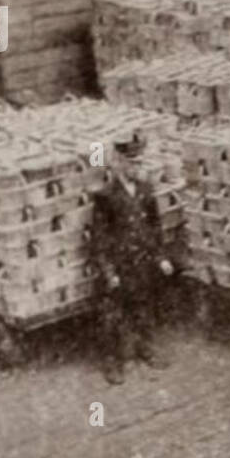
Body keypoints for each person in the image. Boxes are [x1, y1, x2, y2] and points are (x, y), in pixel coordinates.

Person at [89, 133, 177, 385]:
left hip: (142, 262)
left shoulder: (145, 190)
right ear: (117, 162)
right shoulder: (106, 196)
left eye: (138, 162)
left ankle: (145, 348)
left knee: (143, 307)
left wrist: (161, 257)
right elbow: (100, 238)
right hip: (119, 264)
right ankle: (112, 362)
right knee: (112, 316)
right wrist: (109, 272)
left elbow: (154, 227)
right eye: (130, 162)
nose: (135, 167)